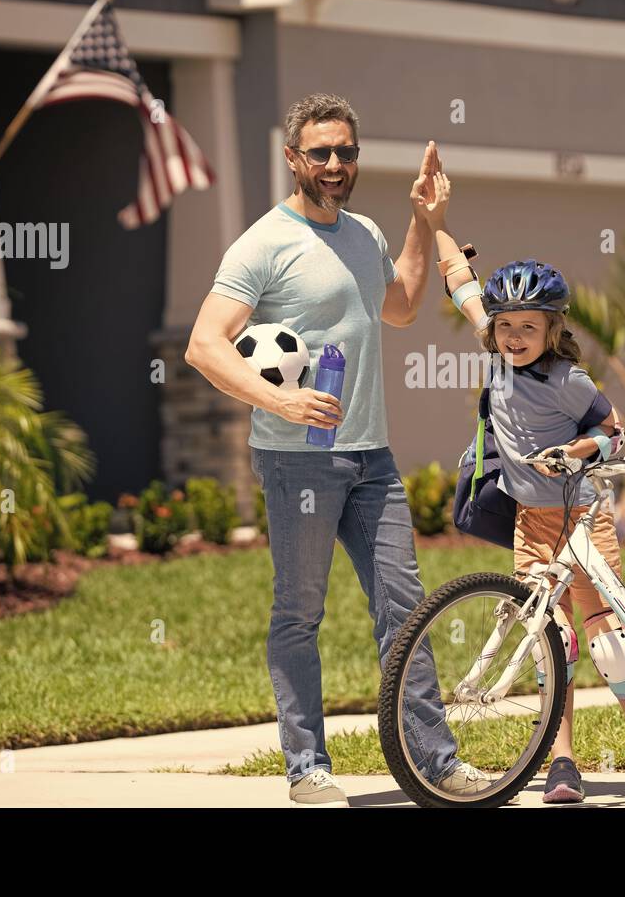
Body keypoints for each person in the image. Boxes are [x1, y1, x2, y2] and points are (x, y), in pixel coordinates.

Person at [185, 94, 487, 806]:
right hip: (298, 462)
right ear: (293, 158)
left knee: (405, 611)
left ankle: (435, 760)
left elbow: (404, 305)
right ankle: (306, 767)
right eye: (318, 153)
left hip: (372, 457)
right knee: (299, 612)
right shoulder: (262, 243)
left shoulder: (364, 232)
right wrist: (282, 402)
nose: (333, 164)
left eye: (345, 152)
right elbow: (204, 345)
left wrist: (424, 221)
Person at [415, 171, 625, 803]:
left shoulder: (570, 382)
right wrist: (435, 218)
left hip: (584, 520)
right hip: (532, 524)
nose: (514, 337)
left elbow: (616, 433)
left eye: (528, 327)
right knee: (550, 645)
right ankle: (561, 764)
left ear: (552, 330)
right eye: (506, 327)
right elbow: (463, 285)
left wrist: (579, 450)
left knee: (609, 645)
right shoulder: (496, 355)